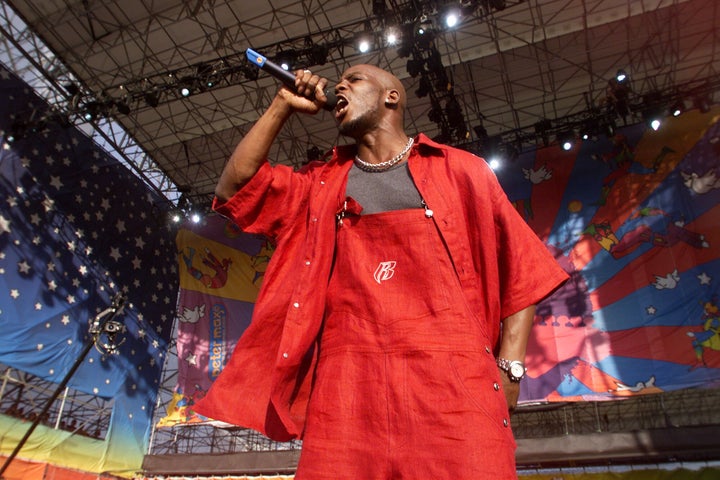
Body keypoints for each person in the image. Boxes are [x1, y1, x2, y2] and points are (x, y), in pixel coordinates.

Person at [194, 63, 568, 479]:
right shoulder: (318, 185)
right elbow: (235, 189)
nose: (339, 86)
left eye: (353, 80)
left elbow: (522, 268)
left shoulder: (461, 170)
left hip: (454, 387)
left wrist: (510, 369)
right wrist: (282, 104)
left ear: (392, 97)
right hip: (347, 390)